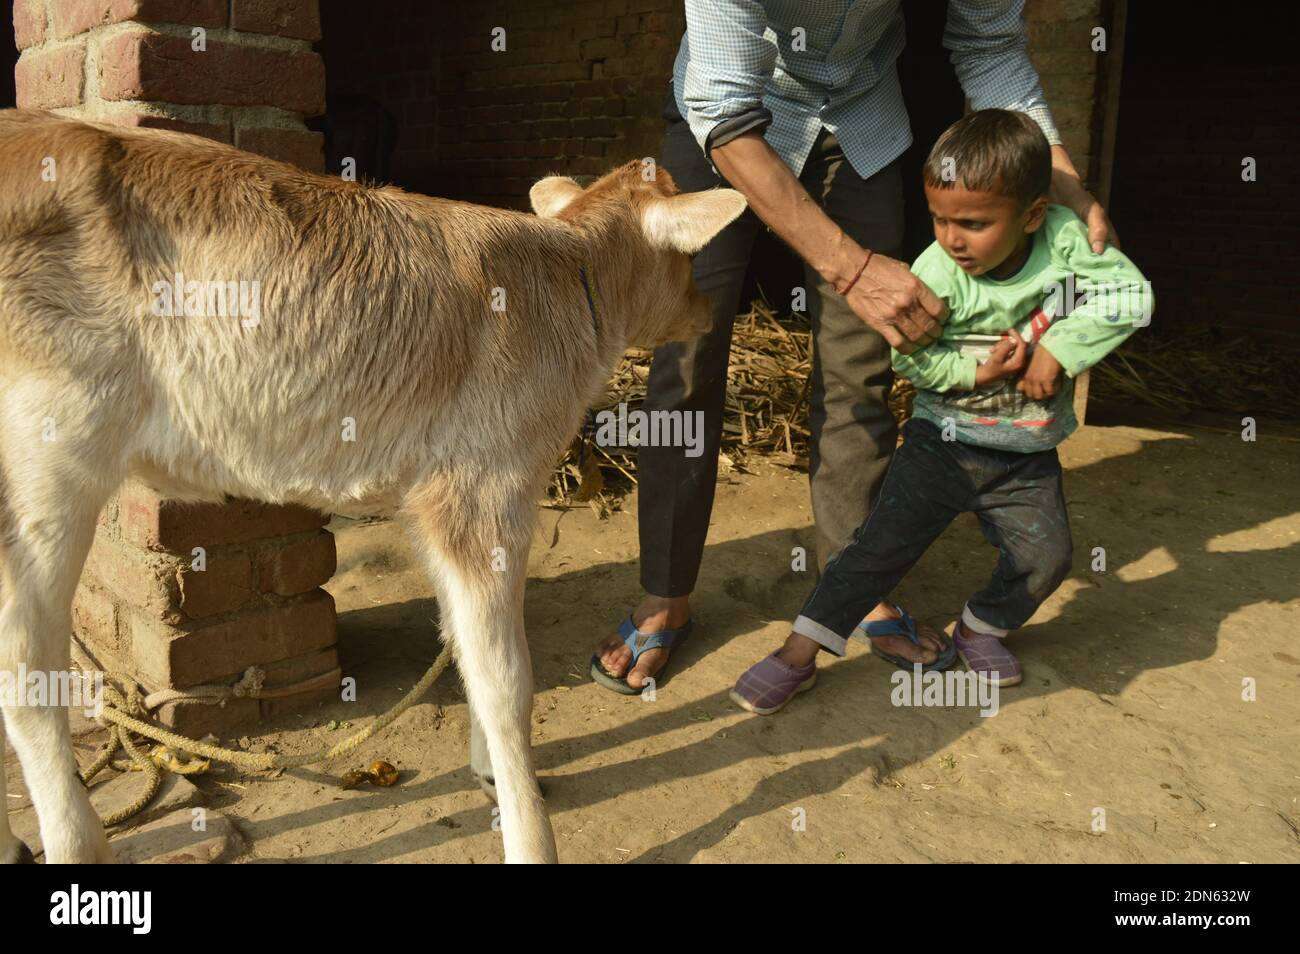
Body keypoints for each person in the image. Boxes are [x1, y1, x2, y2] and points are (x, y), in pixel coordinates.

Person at [589, 0, 1118, 694]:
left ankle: (854, 584)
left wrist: (1067, 185)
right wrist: (856, 268)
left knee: (860, 367)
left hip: (860, 121)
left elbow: (990, 47)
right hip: (724, 122)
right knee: (685, 363)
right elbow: (723, 105)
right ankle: (665, 592)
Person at [730, 108, 1152, 713]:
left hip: (1027, 453)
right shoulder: (937, 271)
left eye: (973, 223)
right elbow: (912, 364)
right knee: (875, 550)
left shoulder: (1063, 239)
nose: (952, 238)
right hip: (943, 444)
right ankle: (798, 653)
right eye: (939, 219)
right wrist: (978, 371)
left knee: (1048, 558)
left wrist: (1057, 349)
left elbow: (1131, 294)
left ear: (1032, 214)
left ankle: (981, 627)